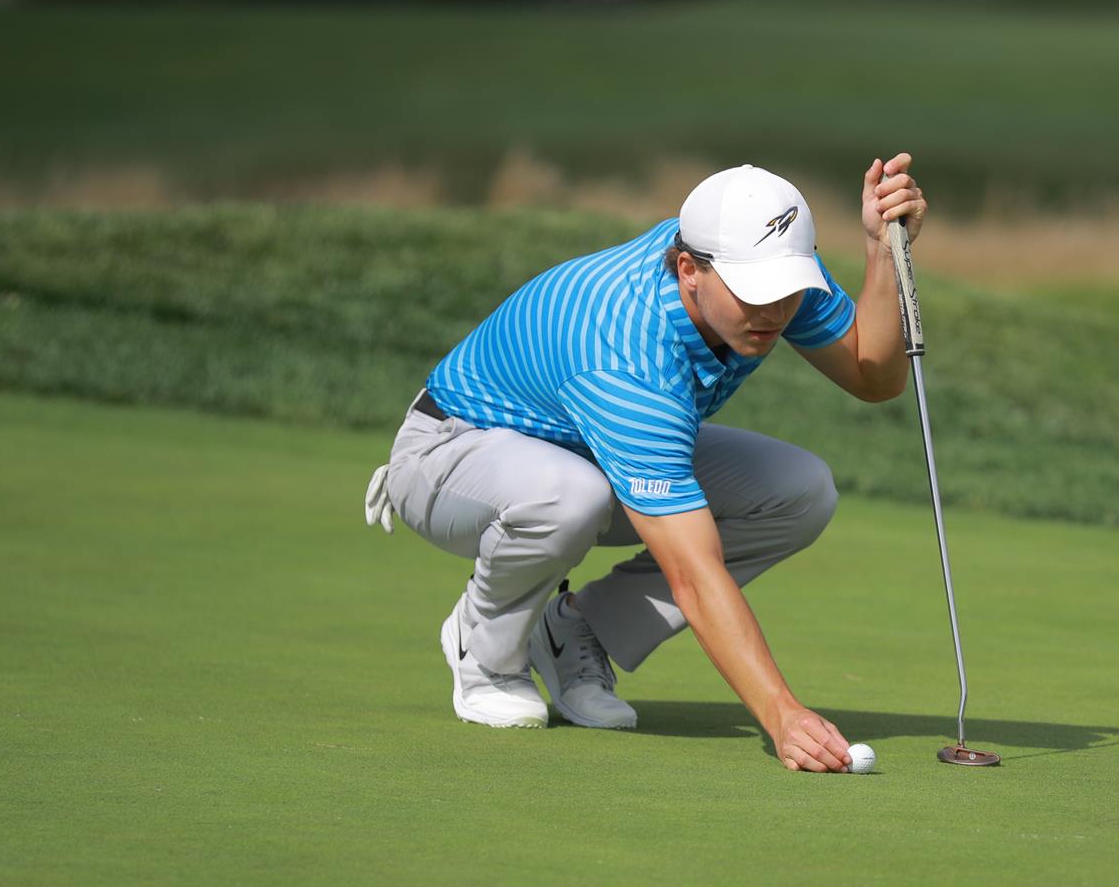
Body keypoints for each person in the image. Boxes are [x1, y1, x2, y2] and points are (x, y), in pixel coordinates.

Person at [363, 155, 927, 773]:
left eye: (787, 290)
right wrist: (781, 714)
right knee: (571, 497)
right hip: (448, 455)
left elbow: (875, 377)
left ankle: (578, 630)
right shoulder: (628, 355)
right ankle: (484, 646)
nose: (774, 311)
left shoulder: (767, 269)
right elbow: (691, 569)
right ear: (688, 270)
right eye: (754, 294)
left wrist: (881, 252)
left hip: (583, 453)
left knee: (799, 490)